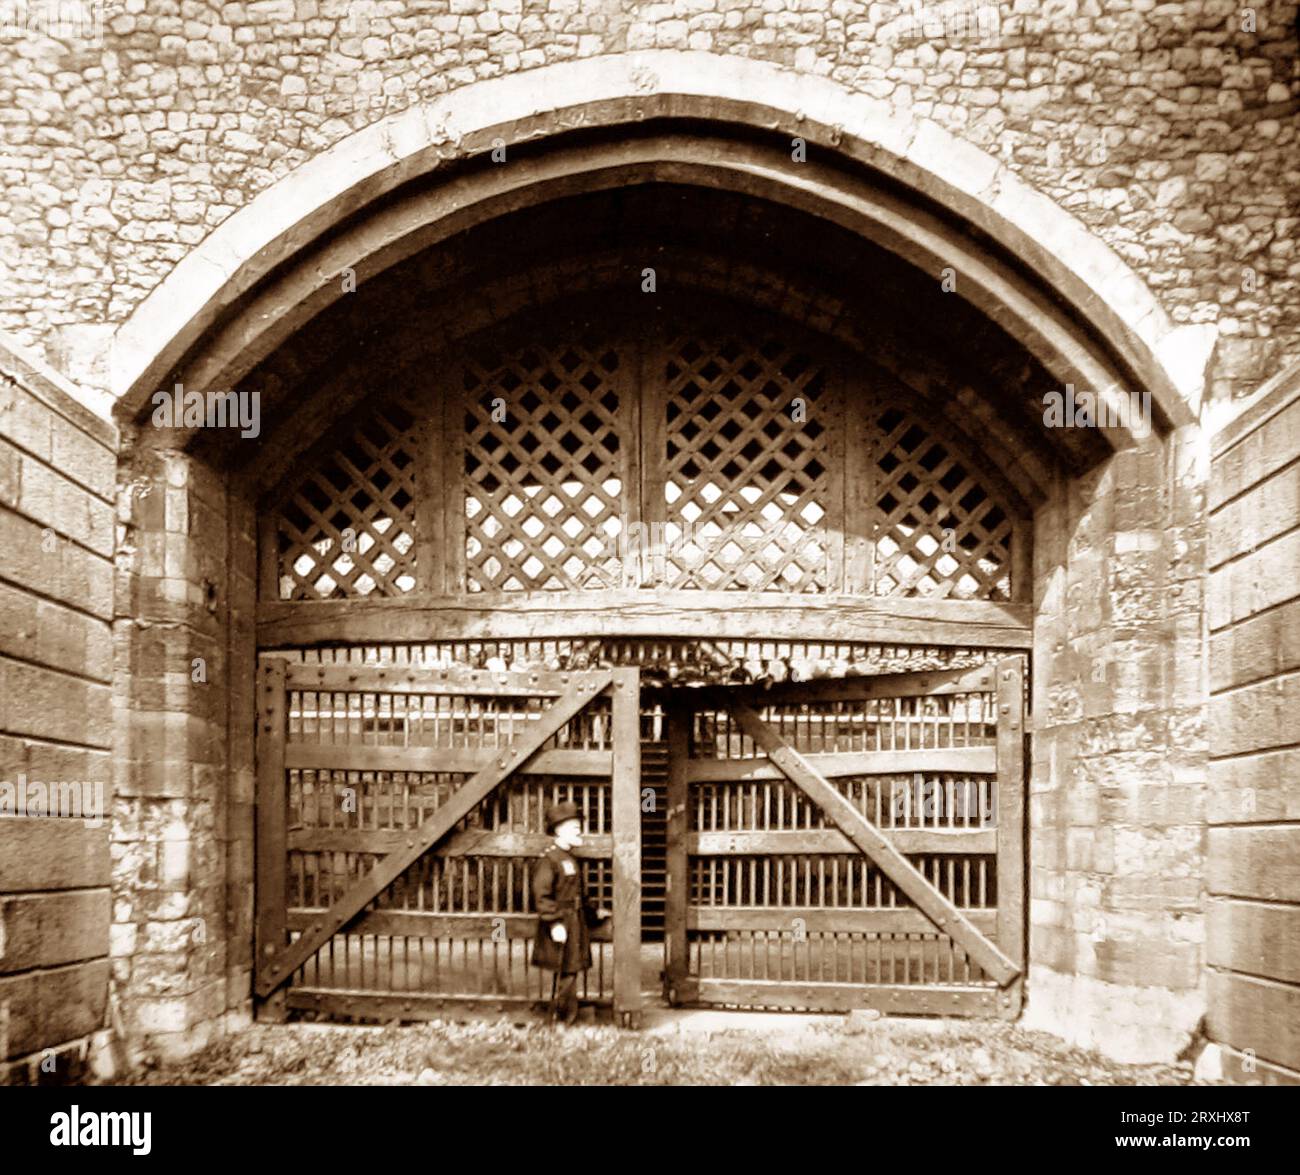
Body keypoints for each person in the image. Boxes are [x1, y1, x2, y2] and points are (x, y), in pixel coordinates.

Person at [532, 800, 608, 1025]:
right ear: (559, 830)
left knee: (571, 969)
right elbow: (541, 895)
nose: (580, 832)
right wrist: (554, 923)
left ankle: (566, 1016)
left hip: (575, 920)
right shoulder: (549, 859)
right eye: (575, 828)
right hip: (562, 921)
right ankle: (565, 1019)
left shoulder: (570, 859)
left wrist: (594, 913)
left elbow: (579, 895)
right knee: (566, 971)